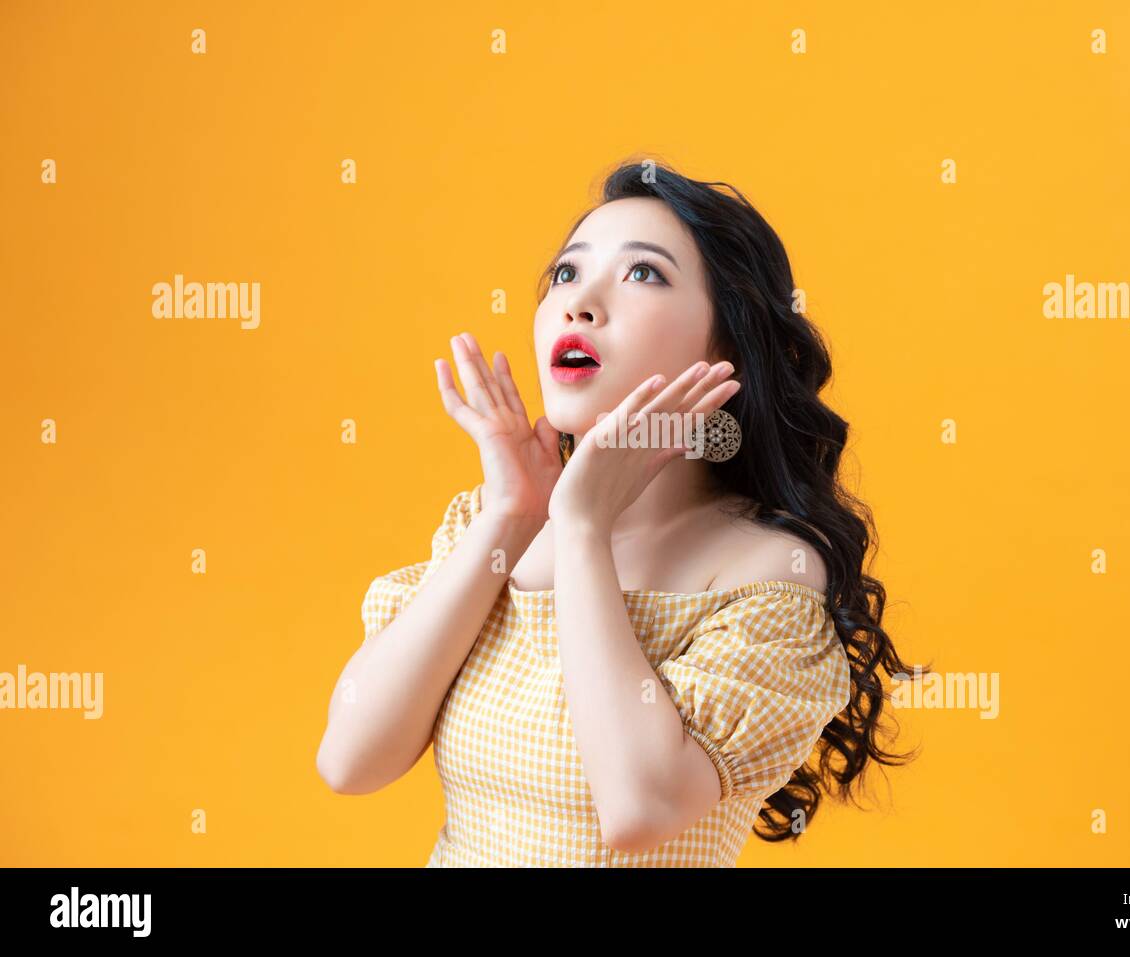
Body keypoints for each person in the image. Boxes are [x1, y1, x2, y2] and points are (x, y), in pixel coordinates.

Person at [316, 159, 925, 866]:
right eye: (567, 275)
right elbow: (350, 761)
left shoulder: (766, 572)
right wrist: (511, 514)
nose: (579, 304)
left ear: (727, 345)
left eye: (644, 274)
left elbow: (639, 806)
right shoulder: (497, 527)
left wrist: (581, 526)